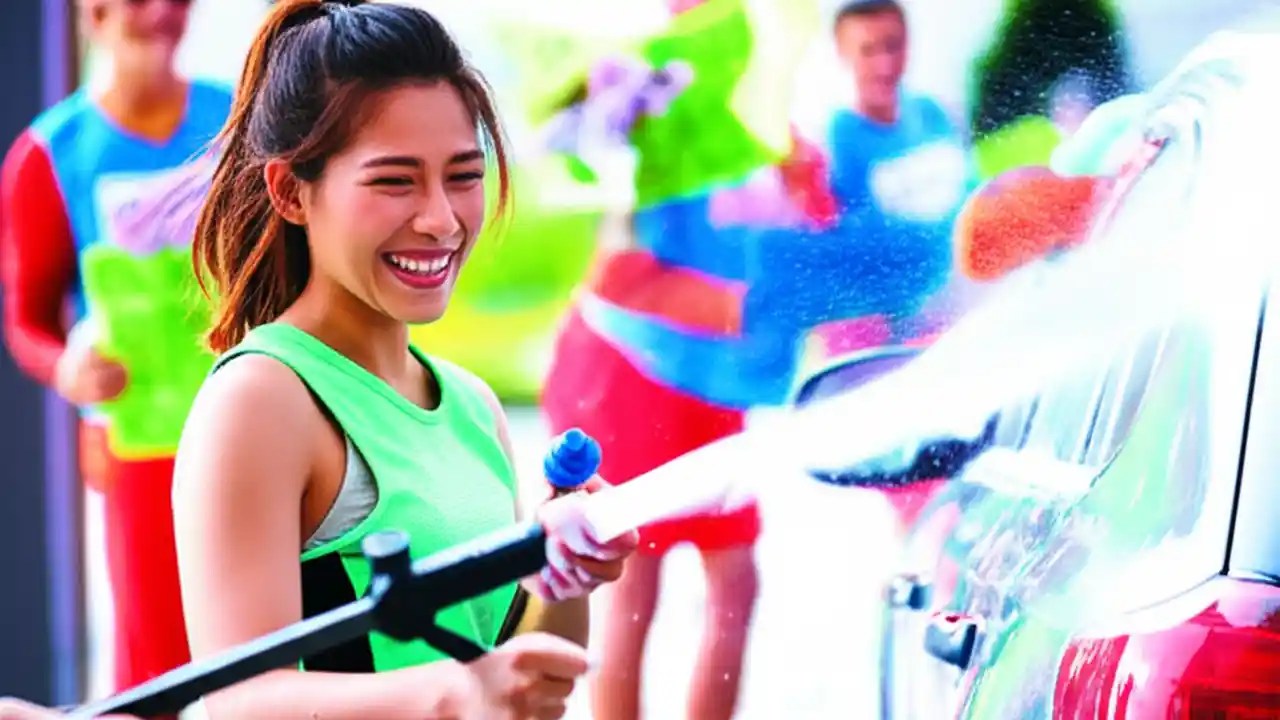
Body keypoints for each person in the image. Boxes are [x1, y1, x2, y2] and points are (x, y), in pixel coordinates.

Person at [172, 2, 636, 719]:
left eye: (463, 175)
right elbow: (241, 701)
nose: (441, 219)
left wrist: (559, 577)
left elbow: (517, 675)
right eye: (395, 180)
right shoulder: (261, 398)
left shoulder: (471, 404)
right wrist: (459, 693)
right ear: (291, 190)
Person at [0, 0, 230, 699]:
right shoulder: (48, 154)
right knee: (157, 662)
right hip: (139, 449)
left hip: (254, 419)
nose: (161, 14)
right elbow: (27, 319)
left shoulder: (238, 119)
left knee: (268, 642)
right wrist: (66, 367)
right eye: (136, 0)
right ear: (89, 12)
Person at [795, 0, 974, 353]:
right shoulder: (838, 139)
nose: (884, 64)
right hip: (904, 336)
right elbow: (865, 247)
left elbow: (973, 192)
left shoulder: (933, 113)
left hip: (967, 304)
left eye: (893, 45)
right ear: (842, 54)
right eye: (868, 50)